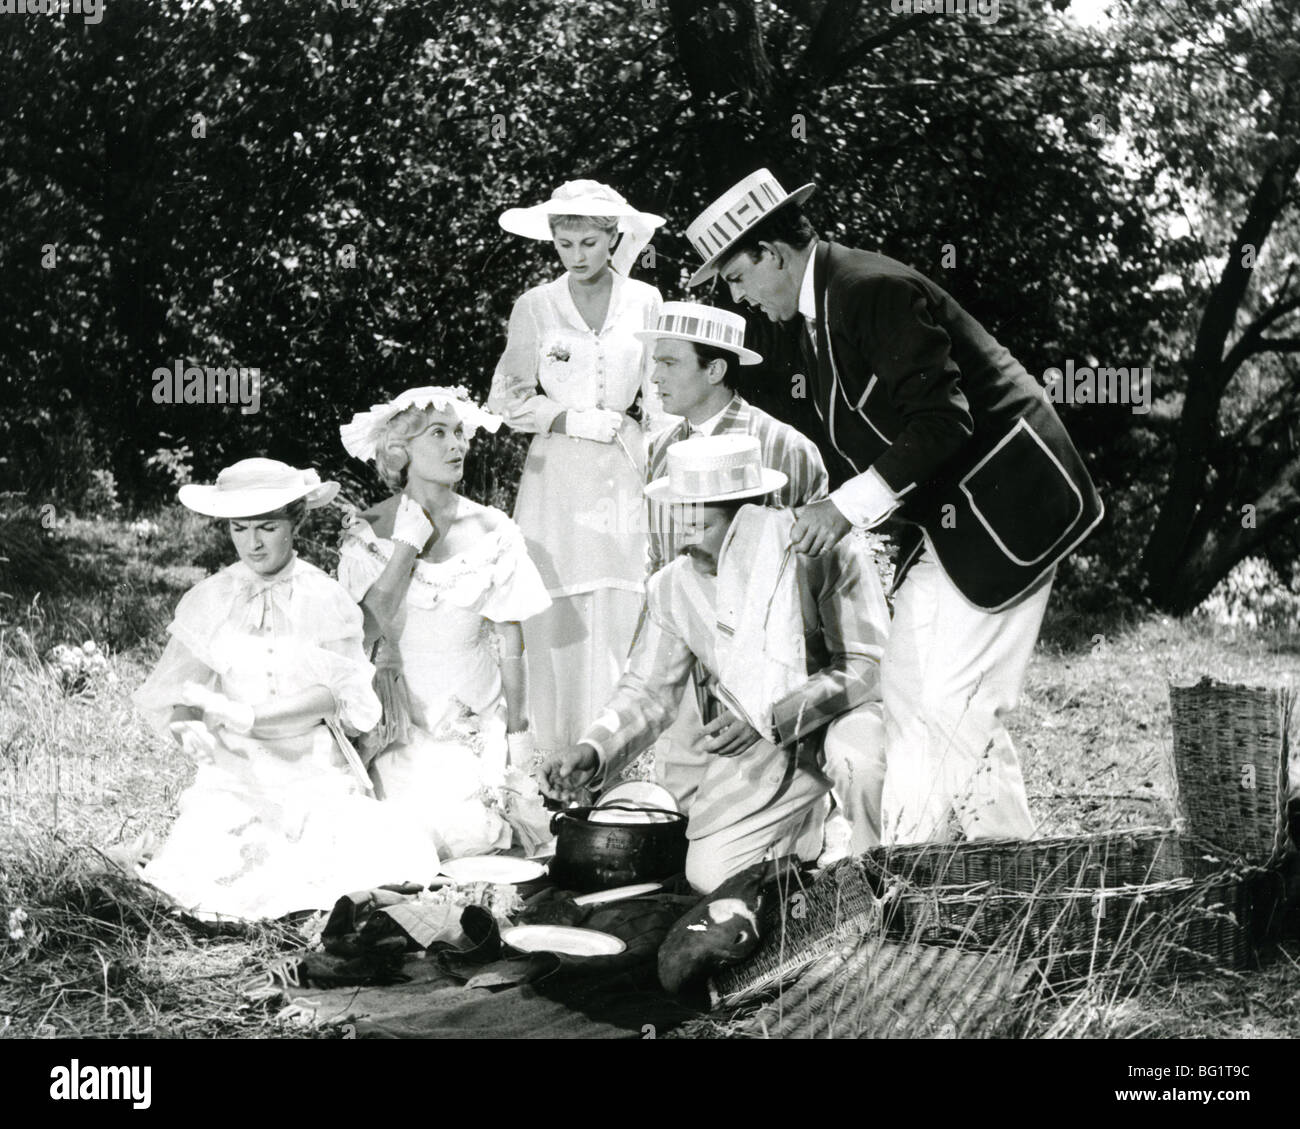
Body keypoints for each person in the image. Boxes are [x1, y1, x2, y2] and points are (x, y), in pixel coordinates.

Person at [685, 168, 1105, 846]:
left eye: (736, 278)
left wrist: (843, 509)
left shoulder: (870, 290)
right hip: (949, 528)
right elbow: (859, 430)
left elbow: (944, 421)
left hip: (1012, 509)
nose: (741, 298)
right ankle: (1003, 868)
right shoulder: (819, 314)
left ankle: (909, 875)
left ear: (772, 253)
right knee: (911, 691)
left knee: (952, 705)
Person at [539, 434, 890, 893]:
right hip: (768, 753)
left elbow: (867, 665)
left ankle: (878, 882)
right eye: (678, 523)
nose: (682, 541)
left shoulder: (822, 553)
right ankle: (808, 837)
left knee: (861, 761)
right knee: (709, 877)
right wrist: (594, 749)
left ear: (748, 517)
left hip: (845, 720)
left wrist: (770, 715)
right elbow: (647, 690)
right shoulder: (672, 588)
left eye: (698, 525)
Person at [132, 459, 433, 920]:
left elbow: (337, 696)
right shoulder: (212, 597)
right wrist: (186, 725)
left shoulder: (321, 594)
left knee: (343, 864)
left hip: (309, 764)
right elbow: (182, 694)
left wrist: (252, 716)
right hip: (238, 769)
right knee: (219, 872)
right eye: (239, 528)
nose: (252, 543)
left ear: (296, 521)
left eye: (268, 527)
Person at [632, 301, 842, 832]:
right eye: (655, 362)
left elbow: (814, 580)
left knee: (783, 826)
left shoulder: (785, 448)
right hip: (688, 674)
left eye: (669, 363)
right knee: (677, 817)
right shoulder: (659, 449)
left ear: (716, 369)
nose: (653, 377)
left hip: (776, 686)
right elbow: (662, 566)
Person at [488, 179, 668, 764]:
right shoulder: (536, 306)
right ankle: (556, 759)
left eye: (589, 242)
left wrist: (662, 463)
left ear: (614, 236)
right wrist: (570, 420)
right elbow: (507, 401)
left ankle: (620, 756)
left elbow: (660, 396)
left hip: (624, 465)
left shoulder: (645, 300)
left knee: (623, 595)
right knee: (558, 601)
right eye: (565, 244)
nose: (577, 255)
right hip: (557, 471)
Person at [338, 387, 553, 860]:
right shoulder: (367, 531)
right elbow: (357, 639)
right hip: (399, 721)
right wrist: (404, 548)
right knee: (401, 837)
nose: (457, 445)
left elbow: (511, 644)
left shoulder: (493, 530)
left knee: (471, 833)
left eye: (460, 433)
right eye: (439, 433)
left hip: (473, 721)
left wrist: (520, 741)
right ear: (401, 449)